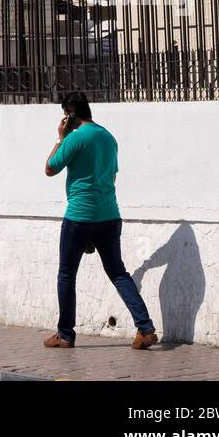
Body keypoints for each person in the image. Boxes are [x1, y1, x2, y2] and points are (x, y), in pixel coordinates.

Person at [43, 90, 158, 350]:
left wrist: (60, 139)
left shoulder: (74, 139)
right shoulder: (109, 138)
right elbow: (113, 176)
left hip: (80, 216)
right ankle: (145, 328)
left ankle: (65, 334)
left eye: (65, 114)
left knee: (66, 274)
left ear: (70, 114)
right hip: (109, 215)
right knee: (118, 272)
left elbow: (50, 168)